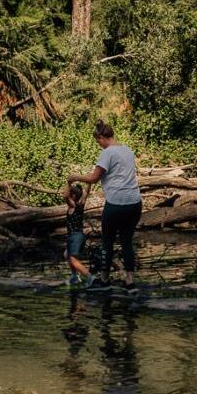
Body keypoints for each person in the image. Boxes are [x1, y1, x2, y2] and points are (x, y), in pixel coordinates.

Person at [66, 120, 142, 291]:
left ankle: (104, 280)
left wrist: (75, 177)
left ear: (101, 137)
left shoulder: (107, 153)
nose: (98, 145)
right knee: (126, 241)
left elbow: (94, 178)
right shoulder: (128, 150)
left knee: (107, 241)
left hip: (116, 203)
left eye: (97, 141)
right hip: (135, 203)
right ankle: (130, 281)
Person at [63, 182, 92, 287]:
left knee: (73, 259)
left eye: (70, 194)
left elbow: (65, 196)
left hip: (75, 236)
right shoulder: (81, 204)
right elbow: (86, 193)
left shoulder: (73, 206)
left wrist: (68, 183)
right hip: (78, 236)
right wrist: (90, 183)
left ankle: (90, 278)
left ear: (73, 196)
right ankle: (75, 276)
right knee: (67, 254)